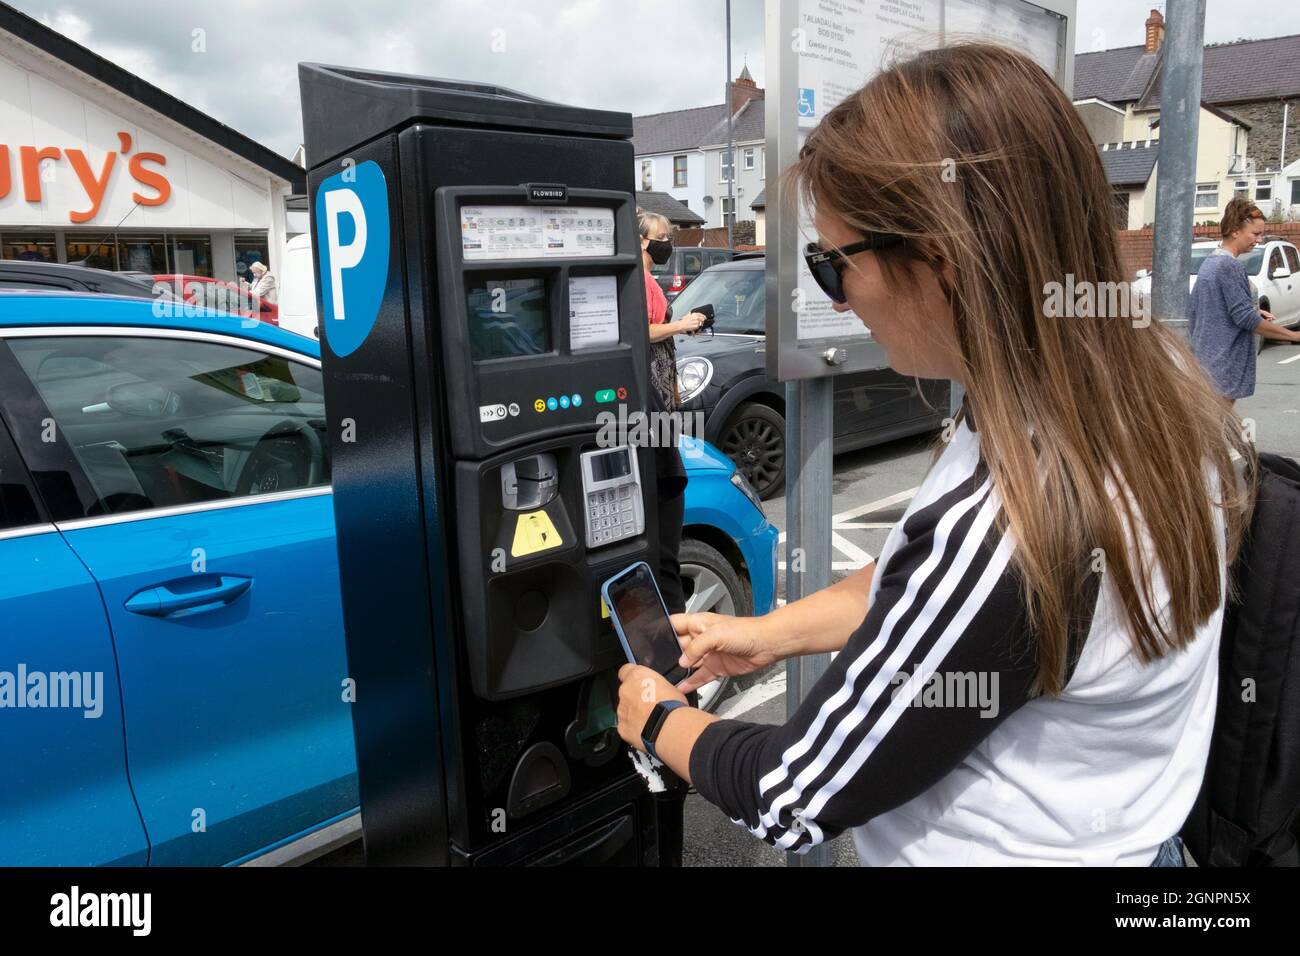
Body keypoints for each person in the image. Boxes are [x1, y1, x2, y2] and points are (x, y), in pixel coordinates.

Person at [615, 42, 1257, 866]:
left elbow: (796, 792)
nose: (834, 298)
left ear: (940, 261)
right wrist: (769, 635)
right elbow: (922, 596)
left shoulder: (1013, 524)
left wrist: (657, 718)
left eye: (832, 264)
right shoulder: (1151, 385)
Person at [1189, 196, 1300, 404]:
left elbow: (1208, 308)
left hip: (1207, 362)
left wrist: (1255, 311)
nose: (1258, 239)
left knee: (1218, 428)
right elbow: (1245, 319)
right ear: (1235, 230)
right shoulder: (1229, 266)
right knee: (1216, 428)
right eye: (1255, 234)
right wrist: (1292, 336)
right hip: (1222, 365)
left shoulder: (1210, 262)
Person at [638, 209, 707, 409]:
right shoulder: (641, 279)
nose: (666, 242)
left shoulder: (647, 277)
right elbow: (645, 331)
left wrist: (684, 326)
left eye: (668, 237)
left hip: (661, 371)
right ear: (641, 241)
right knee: (659, 436)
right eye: (660, 237)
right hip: (652, 373)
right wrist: (680, 325)